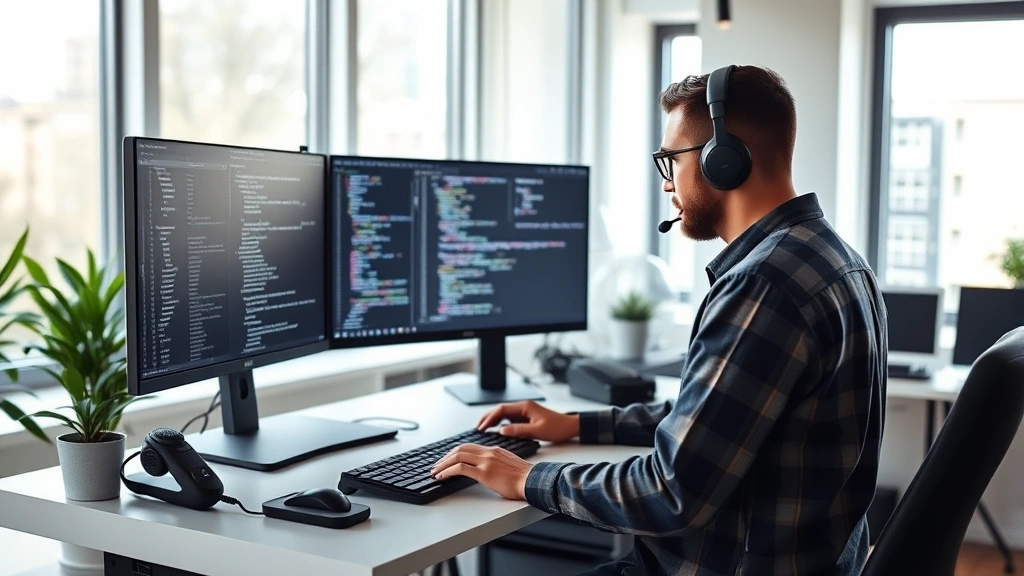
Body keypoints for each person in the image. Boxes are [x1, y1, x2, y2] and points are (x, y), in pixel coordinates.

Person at [431, 65, 887, 576]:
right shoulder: (837, 261)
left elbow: (671, 493)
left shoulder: (763, 285)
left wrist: (527, 478)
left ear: (724, 159)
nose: (666, 181)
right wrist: (578, 425)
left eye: (671, 159)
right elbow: (713, 423)